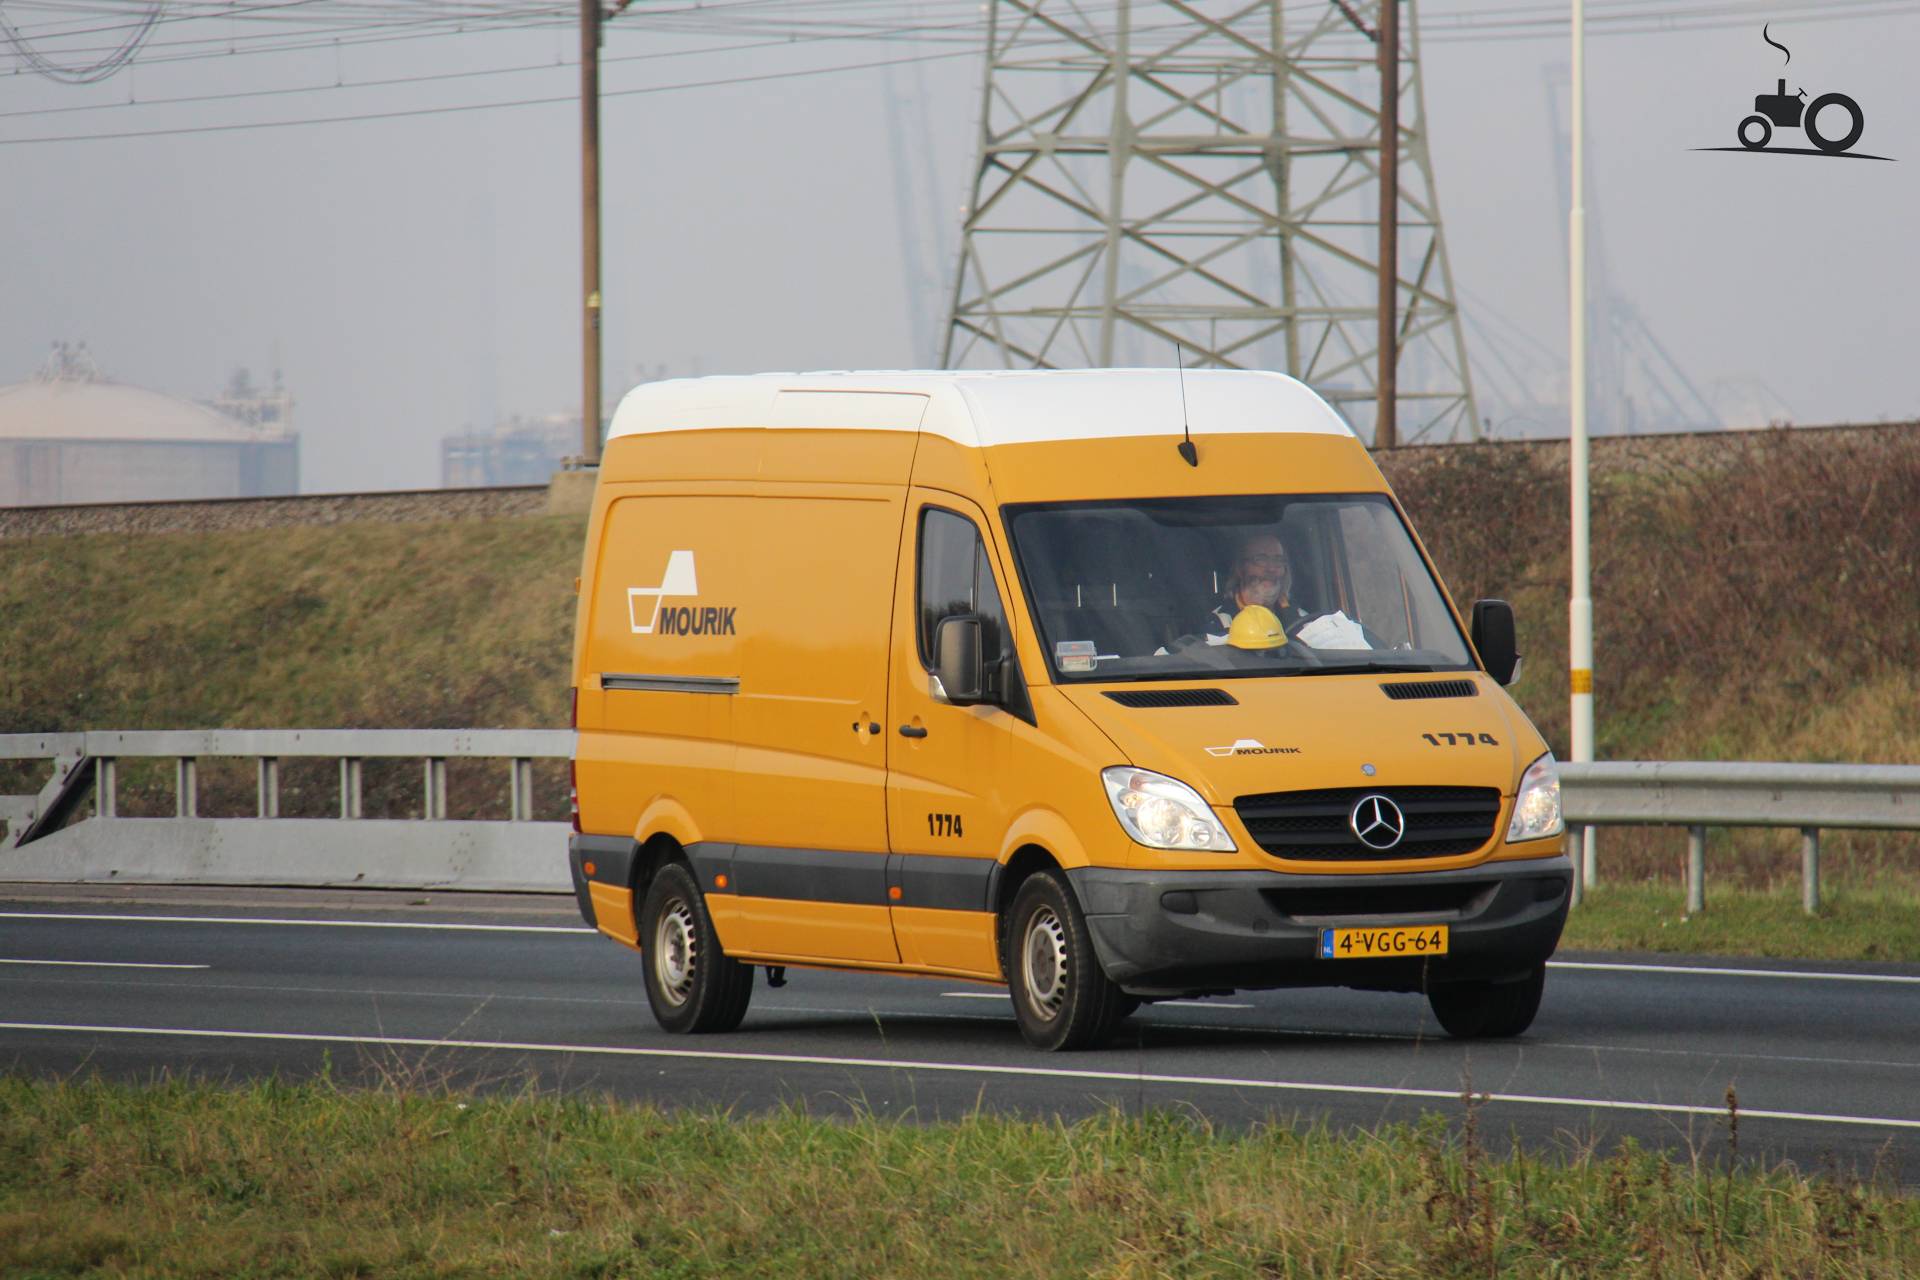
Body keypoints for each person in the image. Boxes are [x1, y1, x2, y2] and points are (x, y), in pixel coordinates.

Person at [1187, 532, 1312, 642]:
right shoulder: (1218, 623)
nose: (1271, 568)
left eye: (1278, 560)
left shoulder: (1301, 620)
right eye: (1261, 559)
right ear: (1241, 569)